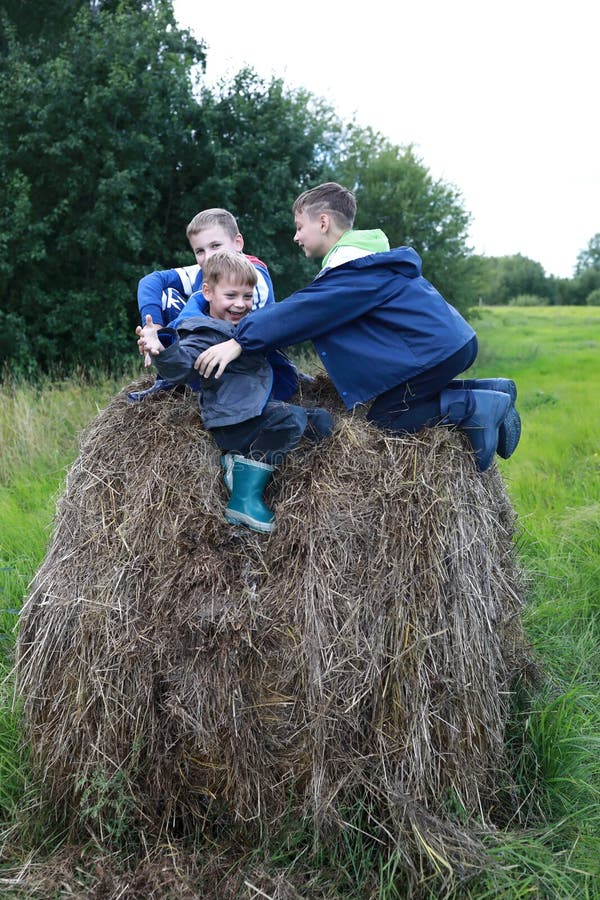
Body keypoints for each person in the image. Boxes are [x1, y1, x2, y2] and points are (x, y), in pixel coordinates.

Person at [194, 182, 521, 473]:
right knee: (401, 400)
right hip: (445, 345)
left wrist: (240, 341)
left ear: (323, 222)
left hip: (434, 351)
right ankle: (491, 390)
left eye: (299, 227)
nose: (295, 236)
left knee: (386, 420)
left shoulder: (352, 269)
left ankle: (477, 407)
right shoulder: (362, 261)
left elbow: (303, 311)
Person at [137, 250, 333, 533]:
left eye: (247, 296)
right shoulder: (201, 333)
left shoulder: (249, 328)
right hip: (232, 420)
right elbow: (180, 366)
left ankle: (263, 471)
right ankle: (243, 497)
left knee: (322, 422)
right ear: (207, 292)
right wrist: (162, 349)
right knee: (291, 421)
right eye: (231, 296)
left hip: (256, 410)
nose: (240, 304)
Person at [128, 207, 297, 401]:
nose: (208, 256)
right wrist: (155, 327)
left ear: (237, 243)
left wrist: (166, 340)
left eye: (216, 246)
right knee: (168, 295)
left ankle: (179, 375)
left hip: (249, 354)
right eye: (200, 251)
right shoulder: (209, 269)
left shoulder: (252, 275)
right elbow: (151, 281)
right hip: (211, 344)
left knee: (197, 310)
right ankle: (171, 385)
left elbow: (198, 304)